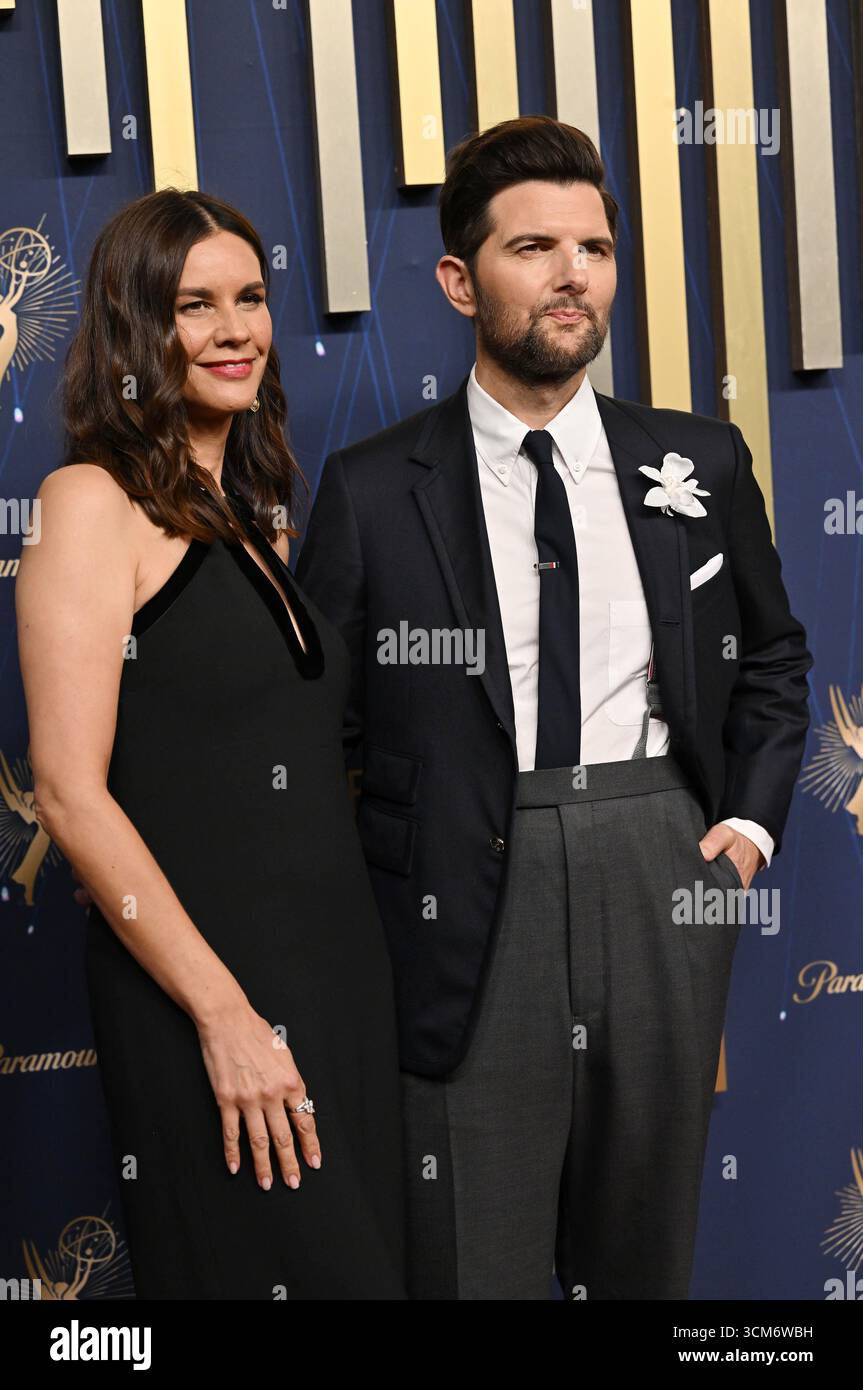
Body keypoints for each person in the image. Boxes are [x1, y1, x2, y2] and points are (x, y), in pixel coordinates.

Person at [295, 116, 814, 1299]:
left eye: (592, 246)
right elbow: (319, 729)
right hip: (464, 884)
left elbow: (775, 660)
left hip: (658, 859)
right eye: (532, 246)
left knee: (644, 1246)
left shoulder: (699, 461)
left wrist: (739, 837)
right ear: (457, 278)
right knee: (472, 1252)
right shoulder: (374, 490)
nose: (570, 272)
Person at [16, 189, 406, 1300]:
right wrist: (225, 1016)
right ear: (138, 326)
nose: (236, 329)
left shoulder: (254, 509)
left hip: (333, 983)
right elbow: (67, 793)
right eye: (195, 305)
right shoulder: (89, 502)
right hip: (207, 996)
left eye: (251, 297)